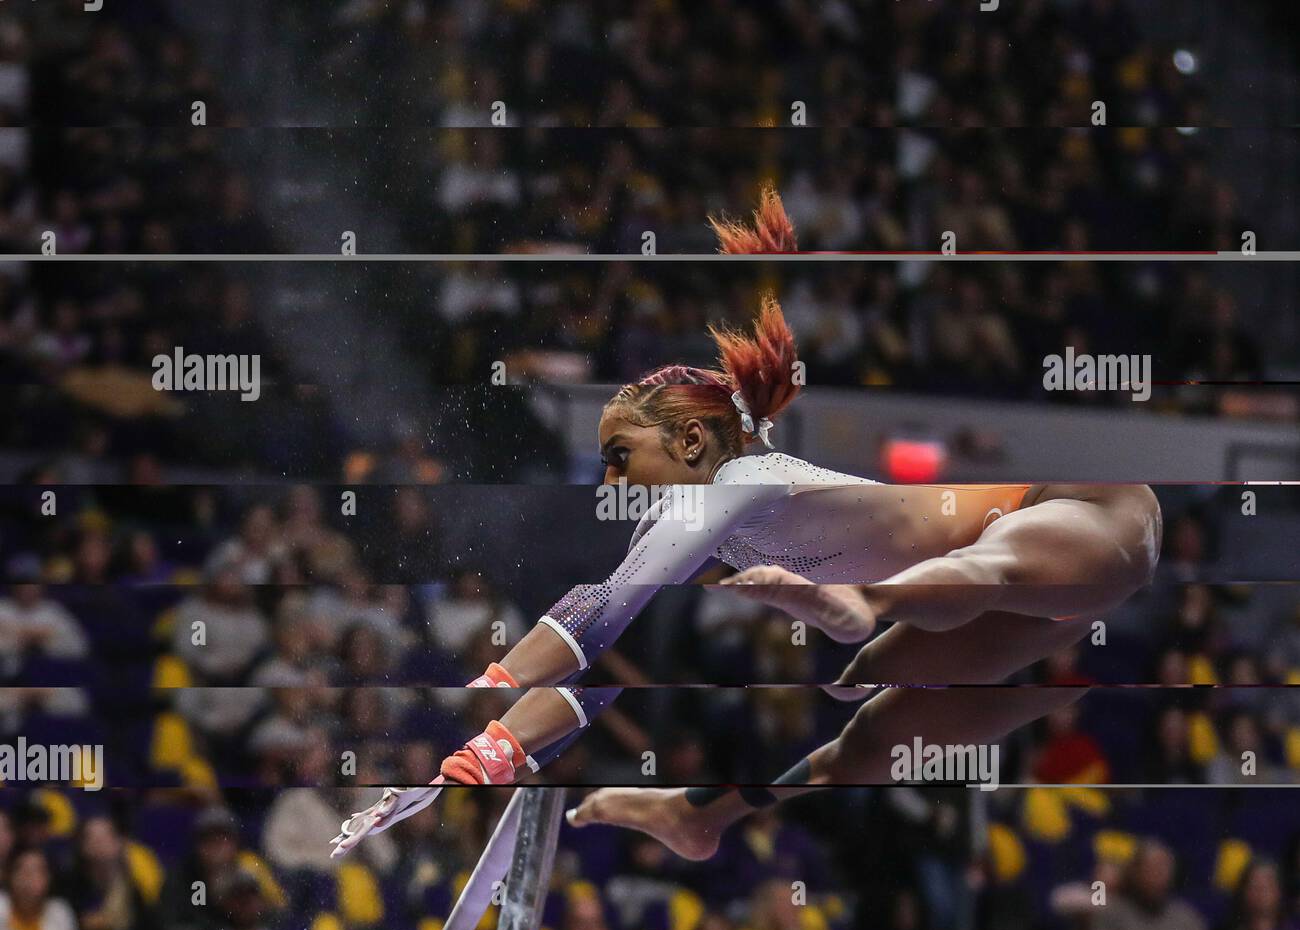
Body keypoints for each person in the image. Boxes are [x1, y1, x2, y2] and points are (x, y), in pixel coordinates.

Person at [331, 186, 1161, 860]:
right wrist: (489, 754)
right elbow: (603, 672)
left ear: (691, 438)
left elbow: (600, 608)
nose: (611, 478)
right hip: (1039, 594)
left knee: (954, 590)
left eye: (622, 453)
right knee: (870, 740)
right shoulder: (697, 516)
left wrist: (477, 694)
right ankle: (705, 817)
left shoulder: (739, 481)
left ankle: (867, 607)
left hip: (1085, 510)